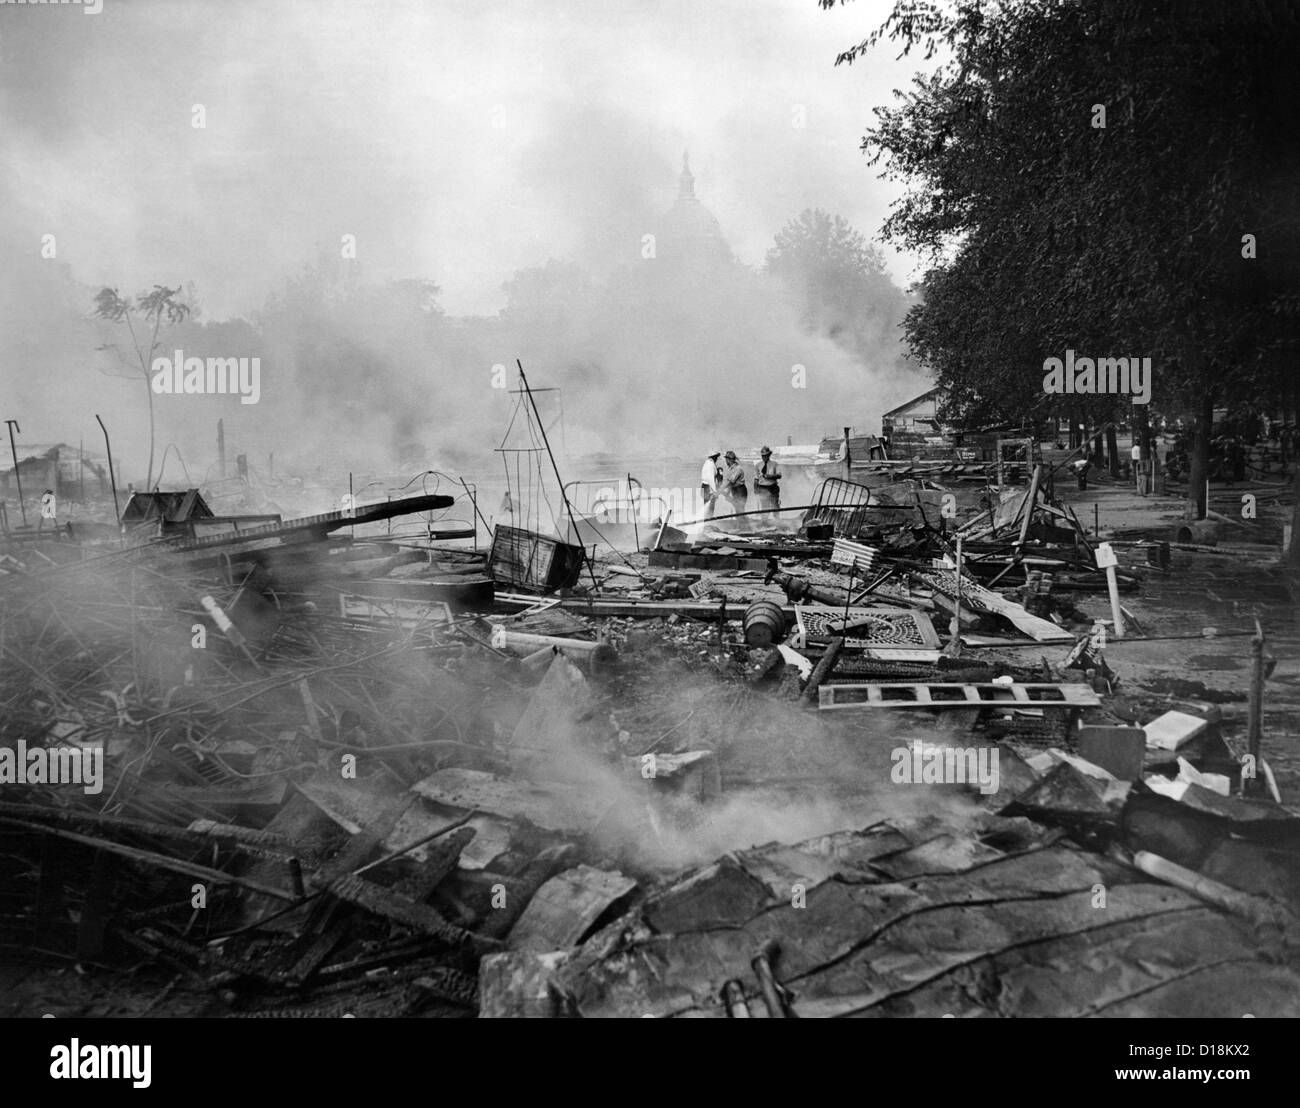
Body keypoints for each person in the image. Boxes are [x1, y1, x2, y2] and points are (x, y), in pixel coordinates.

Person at [720, 450, 749, 525]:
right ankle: (741, 525)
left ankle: (744, 526)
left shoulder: (738, 469)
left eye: (727, 460)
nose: (726, 461)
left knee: (740, 509)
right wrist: (727, 492)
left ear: (730, 460)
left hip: (740, 490)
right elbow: (729, 482)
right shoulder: (730, 468)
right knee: (737, 508)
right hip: (735, 490)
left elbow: (731, 482)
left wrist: (720, 490)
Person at [753, 446, 781, 518]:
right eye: (763, 456)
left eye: (766, 455)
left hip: (773, 487)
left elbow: (779, 475)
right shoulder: (758, 465)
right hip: (763, 488)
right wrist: (755, 489)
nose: (764, 457)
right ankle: (765, 522)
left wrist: (770, 476)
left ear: (769, 455)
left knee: (775, 505)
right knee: (765, 507)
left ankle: (777, 522)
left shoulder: (775, 464)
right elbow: (756, 478)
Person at [700, 449, 722, 519]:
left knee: (707, 505)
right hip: (708, 487)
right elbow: (711, 480)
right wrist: (715, 491)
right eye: (716, 457)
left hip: (705, 486)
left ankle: (707, 521)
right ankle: (707, 522)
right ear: (714, 457)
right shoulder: (711, 465)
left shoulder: (708, 463)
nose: (717, 459)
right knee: (710, 507)